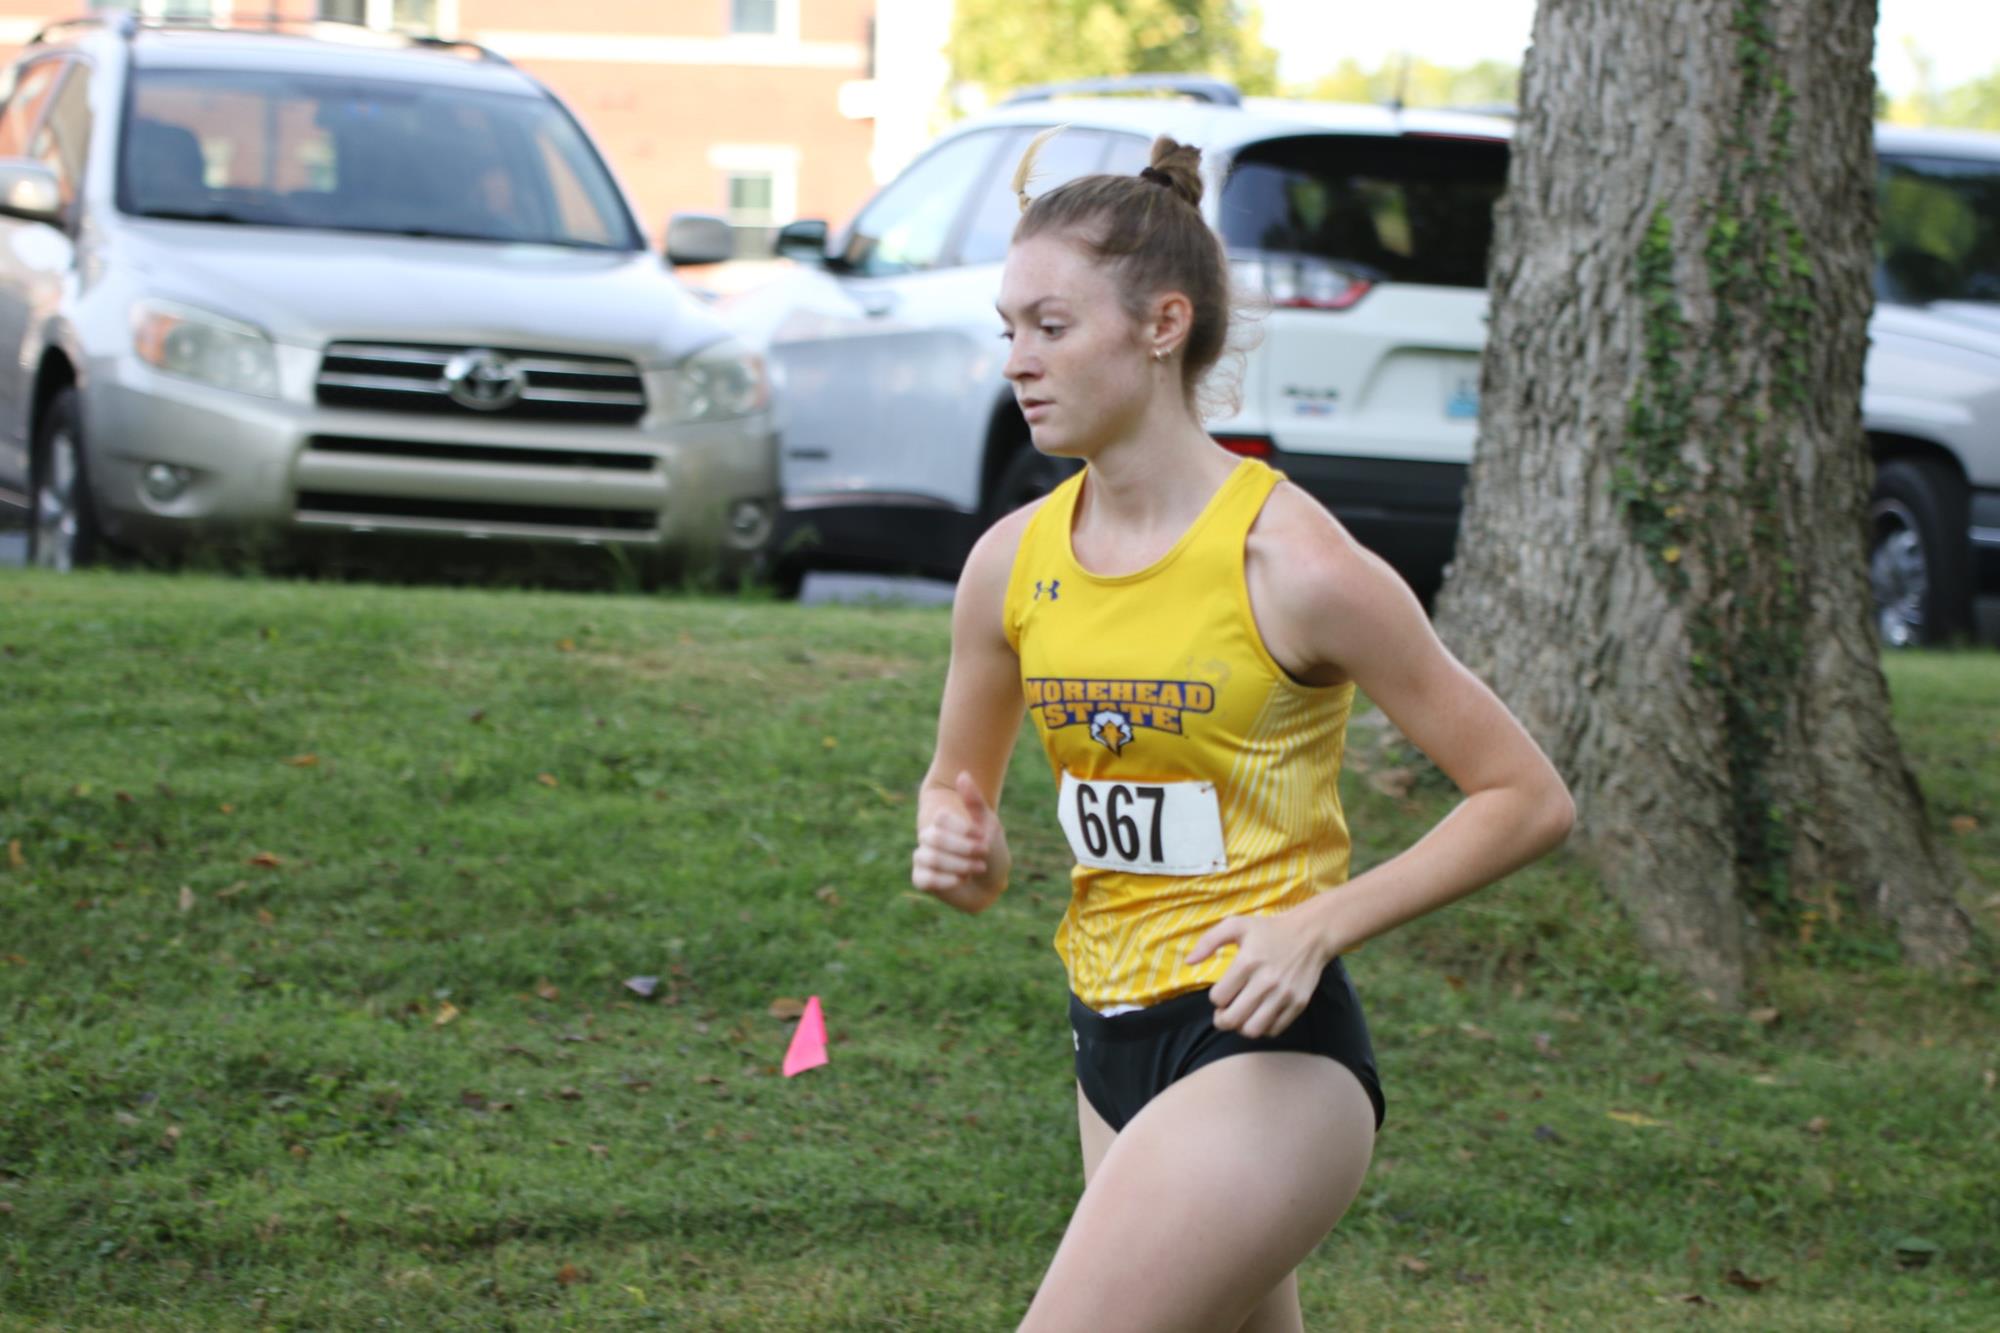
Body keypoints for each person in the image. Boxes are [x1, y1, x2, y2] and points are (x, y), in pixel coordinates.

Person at [910, 132, 1575, 1333]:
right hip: (1105, 1041)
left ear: (1161, 326)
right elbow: (965, 813)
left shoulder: (1295, 561)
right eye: (1007, 326)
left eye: (1050, 327)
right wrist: (959, 846)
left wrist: (1318, 922)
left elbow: (1523, 797)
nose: (1017, 360)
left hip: (1265, 1055)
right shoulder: (1005, 565)